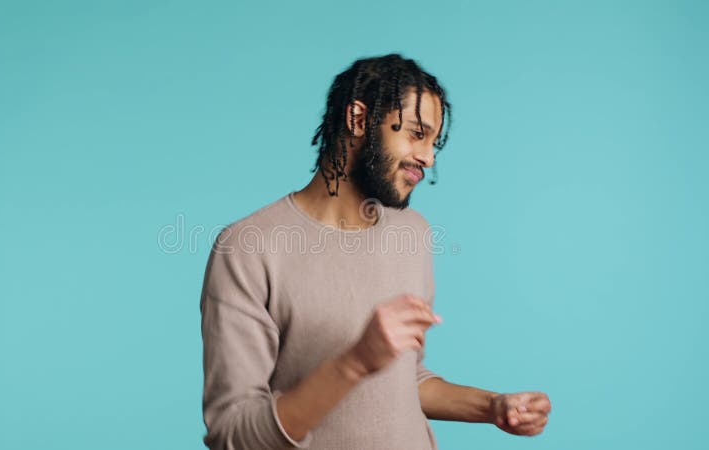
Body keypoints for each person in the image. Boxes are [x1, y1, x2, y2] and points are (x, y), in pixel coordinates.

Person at [199, 53, 551, 449]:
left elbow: (403, 380)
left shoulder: (412, 234)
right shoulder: (247, 248)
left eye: (435, 142)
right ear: (358, 119)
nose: (429, 157)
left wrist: (492, 406)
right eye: (417, 134)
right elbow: (233, 434)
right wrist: (355, 362)